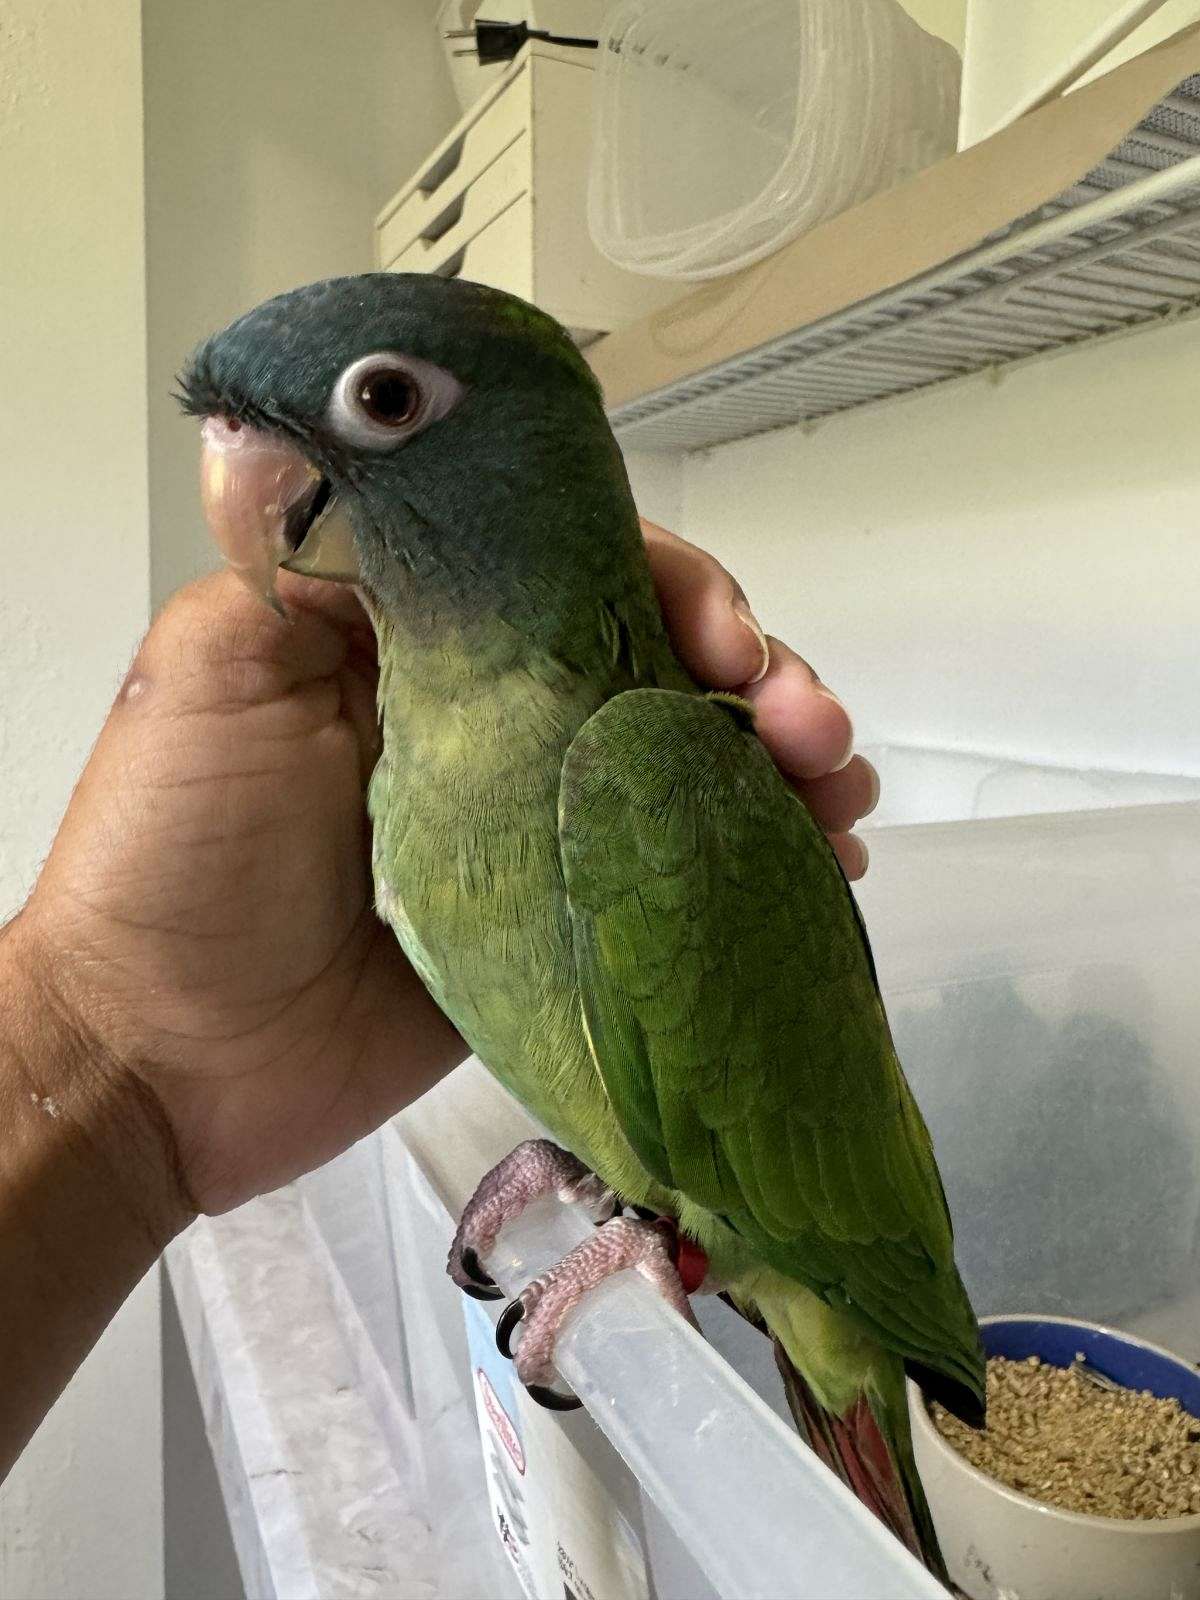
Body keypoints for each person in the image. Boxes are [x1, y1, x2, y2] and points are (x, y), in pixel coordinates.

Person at [0, 521, 878, 1480]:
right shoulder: (374, 758)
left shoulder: (635, 761)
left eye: (387, 401)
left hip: (820, 1262)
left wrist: (99, 1068)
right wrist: (111, 1053)